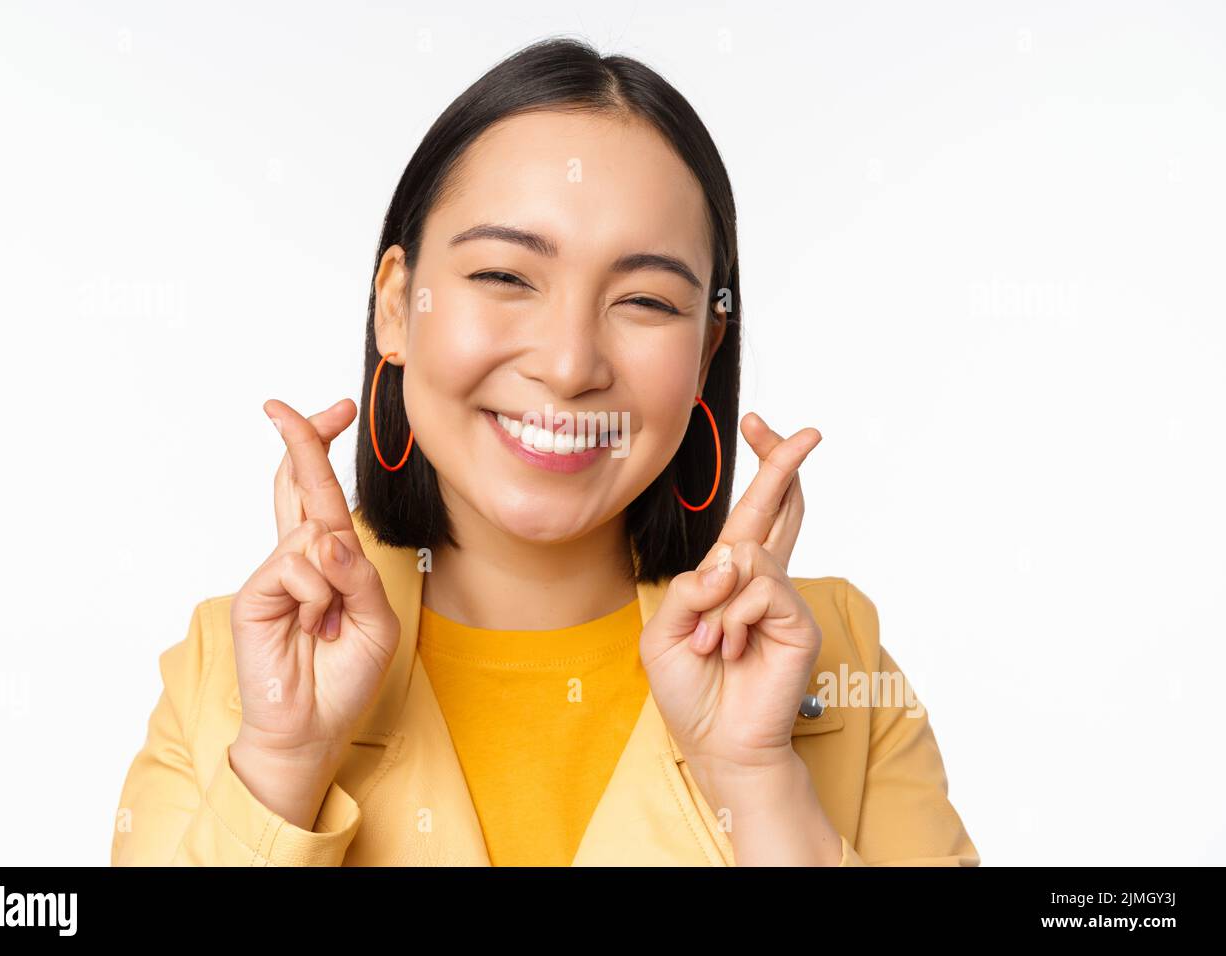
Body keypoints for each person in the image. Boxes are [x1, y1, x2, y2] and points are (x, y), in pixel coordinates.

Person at [111, 36, 978, 867]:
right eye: (504, 277)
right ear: (395, 307)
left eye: (644, 300)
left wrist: (752, 783)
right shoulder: (229, 669)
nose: (569, 366)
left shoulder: (834, 661)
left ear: (709, 348)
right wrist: (283, 762)